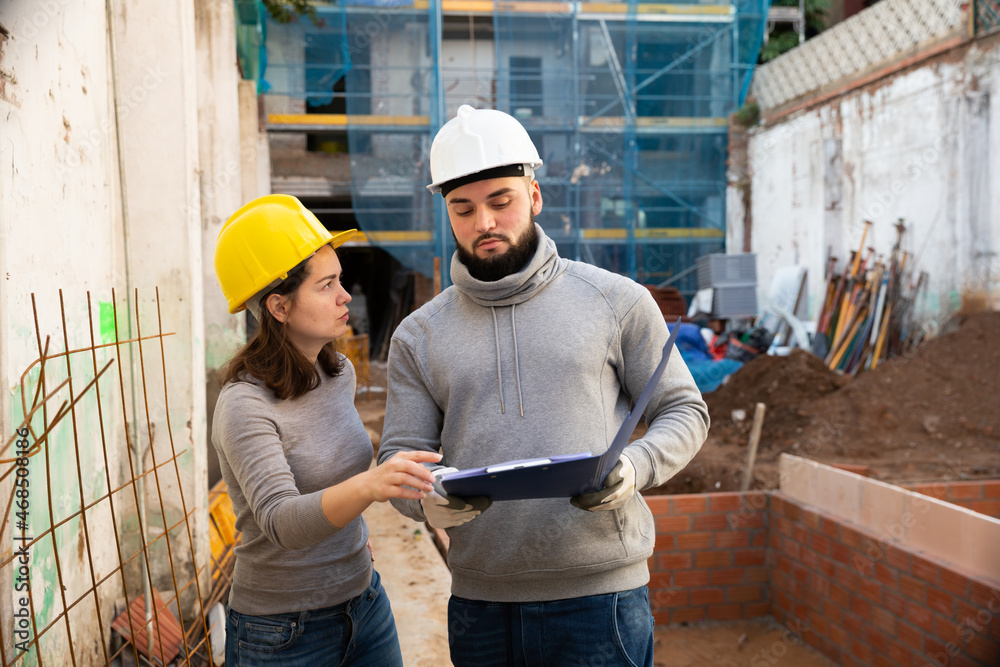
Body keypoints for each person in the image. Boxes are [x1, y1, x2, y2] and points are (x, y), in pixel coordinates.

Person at [377, 105, 710, 666]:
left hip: (600, 601)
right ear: (447, 213)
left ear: (534, 196)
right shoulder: (419, 334)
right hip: (482, 606)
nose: (484, 222)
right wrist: (425, 499)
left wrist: (636, 466)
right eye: (463, 209)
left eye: (500, 201)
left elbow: (684, 409)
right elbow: (398, 457)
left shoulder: (616, 301)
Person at [211, 194, 441, 666]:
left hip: (364, 603)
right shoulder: (244, 405)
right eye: (327, 285)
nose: (345, 296)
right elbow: (281, 522)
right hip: (282, 632)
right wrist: (371, 485)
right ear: (279, 306)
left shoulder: (338, 375)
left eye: (340, 280)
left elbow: (331, 479)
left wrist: (350, 535)